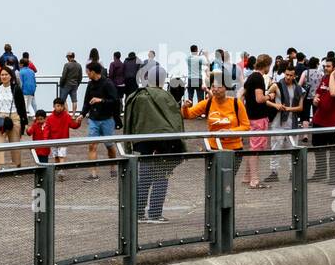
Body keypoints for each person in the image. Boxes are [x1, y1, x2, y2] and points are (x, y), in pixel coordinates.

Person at [124, 79, 185, 222]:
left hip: (141, 143)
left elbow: (130, 120)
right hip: (163, 145)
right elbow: (174, 121)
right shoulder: (165, 97)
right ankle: (155, 213)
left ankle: (138, 213)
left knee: (144, 178)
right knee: (161, 177)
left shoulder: (137, 96)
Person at [181, 81, 249, 153]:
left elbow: (246, 126)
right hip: (213, 147)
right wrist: (185, 107)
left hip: (234, 148)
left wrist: (230, 132)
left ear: (226, 88)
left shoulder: (236, 103)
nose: (215, 89)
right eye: (213, 86)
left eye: (219, 87)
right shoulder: (207, 103)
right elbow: (188, 115)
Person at [83, 60, 121, 175]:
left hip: (107, 119)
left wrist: (101, 100)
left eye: (88, 72)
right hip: (93, 119)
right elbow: (86, 102)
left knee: (109, 146)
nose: (87, 74)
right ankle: (93, 172)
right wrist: (82, 114)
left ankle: (113, 166)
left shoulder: (108, 83)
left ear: (93, 72)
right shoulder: (90, 84)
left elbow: (115, 101)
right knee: (92, 146)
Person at [241, 53, 273, 188]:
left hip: (250, 116)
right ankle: (255, 179)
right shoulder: (259, 78)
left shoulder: (250, 77)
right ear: (266, 65)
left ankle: (247, 176)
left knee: (251, 147)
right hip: (258, 117)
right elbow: (259, 98)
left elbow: (242, 95)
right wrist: (270, 96)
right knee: (255, 149)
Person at [0, 62, 27, 169]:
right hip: (0, 117)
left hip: (14, 117)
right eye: (2, 75)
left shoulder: (16, 89)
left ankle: (17, 166)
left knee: (15, 144)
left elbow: (21, 106)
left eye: (6, 74)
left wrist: (24, 122)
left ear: (11, 76)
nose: (4, 76)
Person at [37, 96, 82, 174]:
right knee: (56, 156)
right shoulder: (50, 118)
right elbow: (46, 130)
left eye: (61, 106)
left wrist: (78, 122)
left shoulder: (67, 116)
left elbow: (73, 125)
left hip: (63, 141)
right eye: (58, 106)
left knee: (61, 155)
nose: (60, 108)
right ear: (54, 106)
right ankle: (58, 169)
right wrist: (45, 140)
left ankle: (61, 171)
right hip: (53, 141)